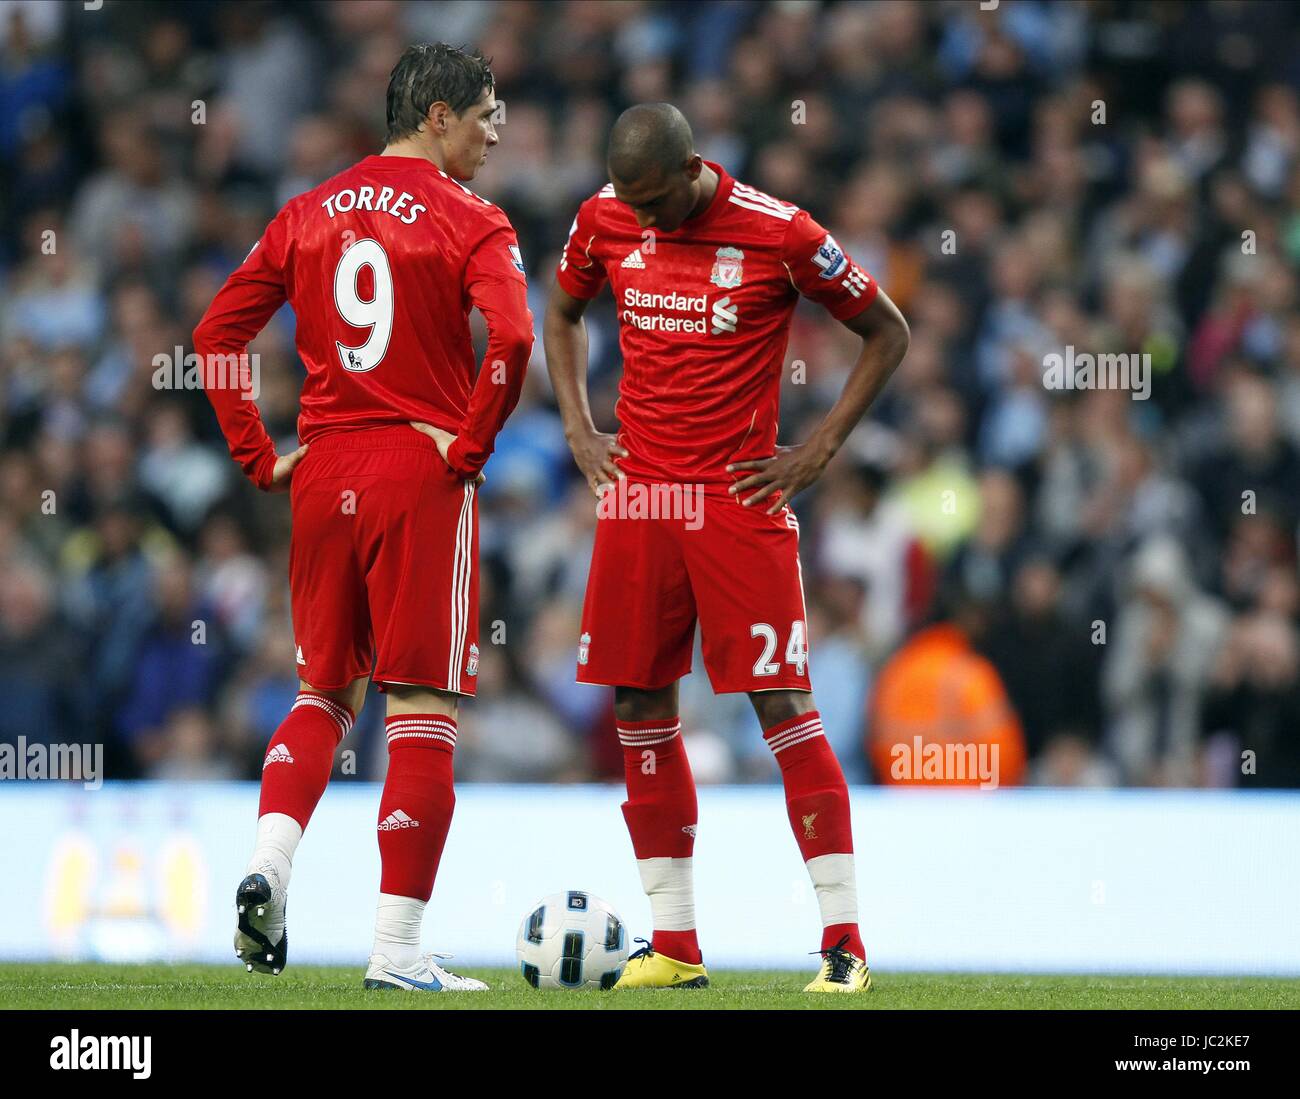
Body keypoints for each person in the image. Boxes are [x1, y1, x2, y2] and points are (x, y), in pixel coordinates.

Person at [544, 103, 909, 992]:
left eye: (657, 199)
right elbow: (560, 314)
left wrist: (816, 450)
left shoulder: (783, 233)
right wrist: (582, 431)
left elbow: (887, 330)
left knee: (783, 703)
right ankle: (674, 945)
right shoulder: (604, 216)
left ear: (692, 168)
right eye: (630, 199)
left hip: (736, 498)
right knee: (637, 704)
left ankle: (845, 944)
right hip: (638, 498)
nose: (644, 217)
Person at [194, 43, 533, 992]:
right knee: (422, 705)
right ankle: (396, 948)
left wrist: (258, 456)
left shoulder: (305, 211)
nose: (496, 130)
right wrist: (467, 450)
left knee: (322, 694)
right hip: (416, 469)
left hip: (324, 475)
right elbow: (511, 336)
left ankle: (270, 863)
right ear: (436, 115)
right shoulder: (475, 219)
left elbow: (217, 334)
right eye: (485, 113)